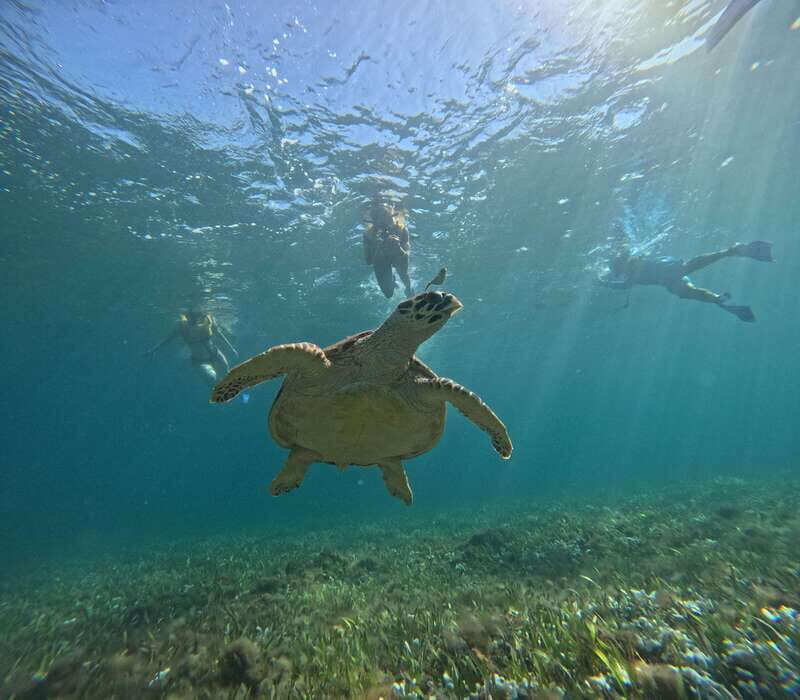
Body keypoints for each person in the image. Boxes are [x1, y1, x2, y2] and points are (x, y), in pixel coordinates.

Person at [598, 241, 773, 322]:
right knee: (689, 278)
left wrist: (601, 282)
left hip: (667, 276)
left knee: (687, 286)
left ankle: (719, 296)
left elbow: (621, 285)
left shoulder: (631, 272)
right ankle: (719, 296)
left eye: (618, 271)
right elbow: (624, 281)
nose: (621, 273)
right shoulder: (635, 261)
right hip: (669, 274)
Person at [146, 311, 238, 384]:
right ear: (188, 317)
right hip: (200, 361)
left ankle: (228, 388)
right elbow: (167, 340)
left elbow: (219, 334)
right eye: (192, 318)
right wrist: (153, 350)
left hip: (215, 353)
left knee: (226, 371)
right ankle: (217, 391)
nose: (195, 321)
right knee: (212, 379)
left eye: (198, 317)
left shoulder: (207, 320)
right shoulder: (182, 327)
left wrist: (231, 348)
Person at [363, 201, 413, 298]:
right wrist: (379, 247)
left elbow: (406, 255)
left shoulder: (401, 229)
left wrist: (397, 247)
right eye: (379, 220)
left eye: (386, 219)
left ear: (393, 217)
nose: (384, 225)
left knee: (404, 277)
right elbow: (368, 261)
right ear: (374, 221)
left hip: (397, 255)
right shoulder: (368, 235)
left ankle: (409, 288)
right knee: (388, 294)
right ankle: (393, 282)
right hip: (380, 259)